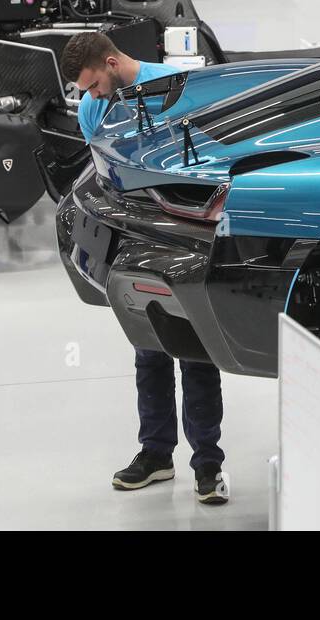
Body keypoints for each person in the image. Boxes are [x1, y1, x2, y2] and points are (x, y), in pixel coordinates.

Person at [60, 31, 229, 505]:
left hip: (184, 240)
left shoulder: (180, 85)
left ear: (112, 63)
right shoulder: (93, 108)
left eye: (94, 85)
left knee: (196, 353)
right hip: (133, 242)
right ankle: (156, 454)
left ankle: (208, 465)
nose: (91, 98)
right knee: (148, 350)